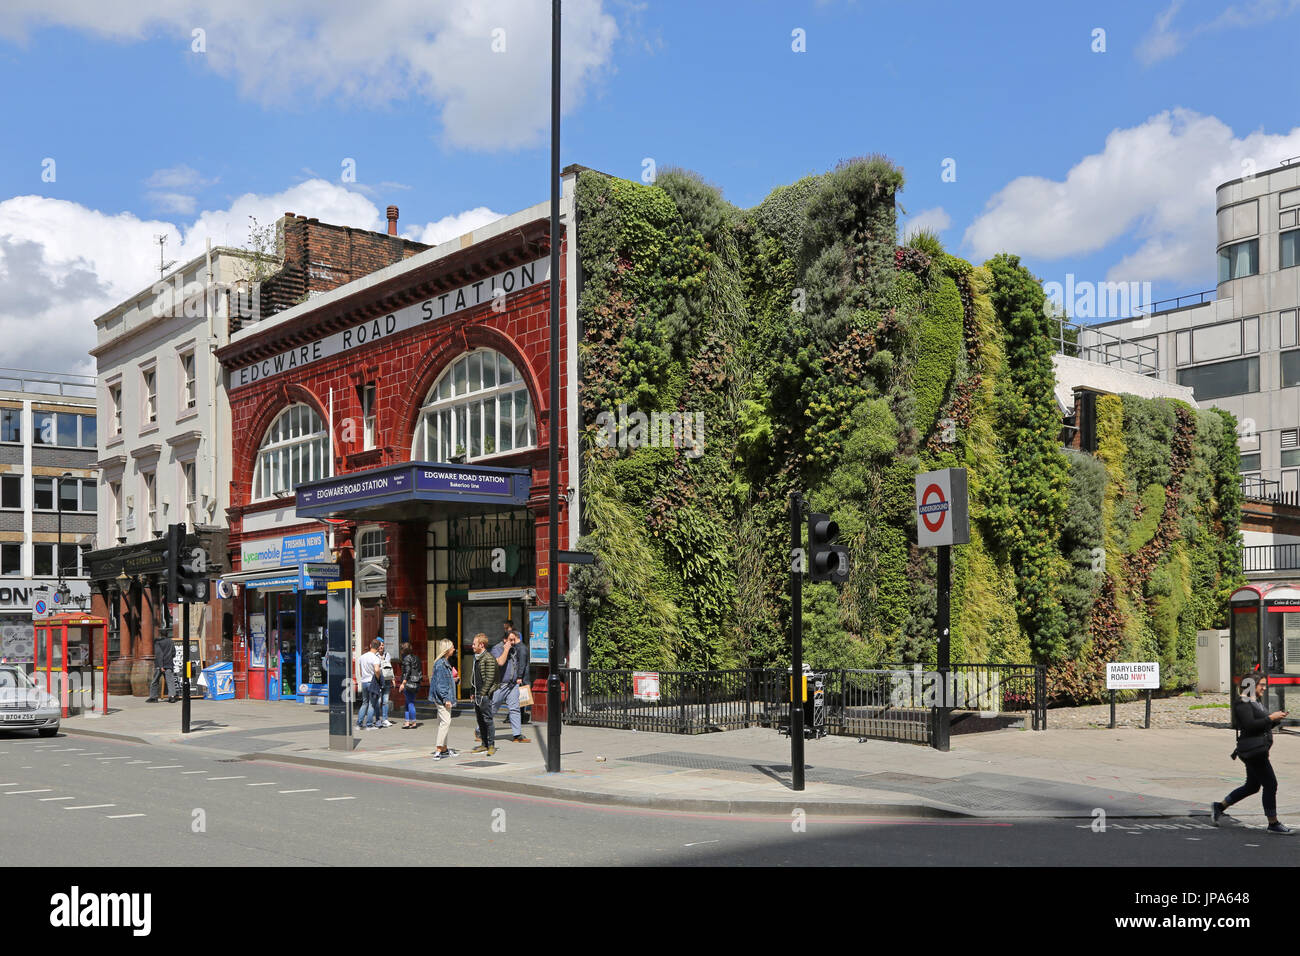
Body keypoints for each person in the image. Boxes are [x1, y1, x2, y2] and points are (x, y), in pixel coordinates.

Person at [1213, 673, 1294, 834]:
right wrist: (1270, 718)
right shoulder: (1242, 703)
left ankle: (1219, 806)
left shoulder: (1253, 701)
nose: (1264, 688)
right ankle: (1273, 823)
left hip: (1257, 749)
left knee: (1252, 786)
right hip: (1254, 752)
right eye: (1261, 685)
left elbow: (1260, 726)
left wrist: (1274, 720)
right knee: (1271, 784)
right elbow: (1250, 726)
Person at [490, 622, 530, 743]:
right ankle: (479, 730)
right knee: (492, 708)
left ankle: (517, 735)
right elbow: (500, 663)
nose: (513, 642)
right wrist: (506, 649)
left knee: (515, 708)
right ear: (504, 640)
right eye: (510, 640)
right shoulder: (497, 649)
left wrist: (518, 678)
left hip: (512, 684)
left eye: (513, 640)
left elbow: (517, 664)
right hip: (500, 684)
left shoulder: (514, 649)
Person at [470, 632, 500, 755]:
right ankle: (484, 744)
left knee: (488, 719)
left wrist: (482, 694)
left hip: (485, 695)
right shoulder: (476, 657)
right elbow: (474, 676)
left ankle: (491, 745)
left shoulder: (489, 658)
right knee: (480, 720)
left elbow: (490, 679)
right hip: (477, 694)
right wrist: (473, 691)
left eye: (474, 644)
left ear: (481, 645)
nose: (472, 646)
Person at [430, 640, 459, 759]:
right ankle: (438, 749)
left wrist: (455, 680)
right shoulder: (441, 664)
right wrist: (446, 699)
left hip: (443, 698)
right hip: (442, 699)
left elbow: (444, 681)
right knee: (445, 722)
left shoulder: (443, 662)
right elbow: (441, 685)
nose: (454, 649)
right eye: (452, 647)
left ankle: (444, 749)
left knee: (443, 722)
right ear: (447, 649)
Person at [356, 638, 382, 730]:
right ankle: (369, 725)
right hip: (372, 682)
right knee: (372, 704)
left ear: (370, 645)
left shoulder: (362, 657)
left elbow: (360, 671)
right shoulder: (375, 658)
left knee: (364, 703)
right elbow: (377, 670)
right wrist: (378, 678)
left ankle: (359, 724)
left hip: (364, 682)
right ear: (378, 648)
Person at [146, 633, 177, 703]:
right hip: (169, 664)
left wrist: (161, 666)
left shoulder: (157, 642)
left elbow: (159, 654)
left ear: (160, 635)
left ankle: (153, 697)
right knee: (170, 681)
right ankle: (172, 697)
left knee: (155, 681)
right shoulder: (171, 641)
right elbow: (173, 653)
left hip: (160, 665)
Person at [399, 641, 422, 729]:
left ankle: (413, 722)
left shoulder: (406, 659)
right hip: (416, 683)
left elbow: (407, 671)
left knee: (410, 703)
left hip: (409, 683)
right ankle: (407, 721)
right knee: (408, 702)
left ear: (403, 650)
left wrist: (403, 683)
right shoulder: (417, 658)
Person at [376, 638, 394, 728]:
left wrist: (393, 679)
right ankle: (377, 720)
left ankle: (385, 719)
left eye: (382, 645)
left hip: (387, 680)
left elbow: (390, 668)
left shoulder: (387, 655)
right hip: (378, 681)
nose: (381, 647)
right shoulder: (374, 656)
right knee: (378, 701)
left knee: (385, 701)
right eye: (380, 645)